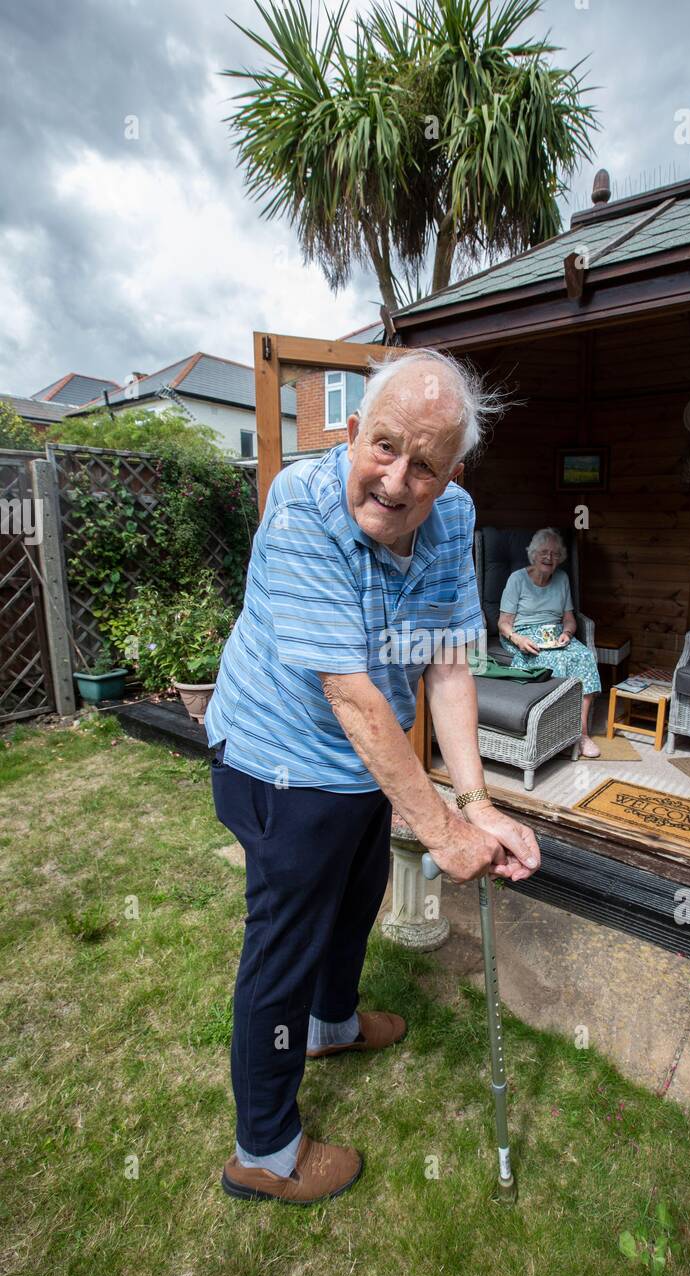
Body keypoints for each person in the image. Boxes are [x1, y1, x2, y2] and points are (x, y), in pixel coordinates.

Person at [204, 347, 541, 1206]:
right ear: (353, 432)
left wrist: (477, 803)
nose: (395, 480)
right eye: (383, 447)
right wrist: (443, 835)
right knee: (283, 943)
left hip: (363, 764)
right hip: (280, 758)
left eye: (423, 464)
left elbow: (449, 665)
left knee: (357, 895)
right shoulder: (298, 508)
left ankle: (331, 1025)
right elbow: (351, 698)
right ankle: (265, 1152)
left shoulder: (455, 517)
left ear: (450, 472)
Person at [497, 527, 602, 758]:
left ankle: (581, 734)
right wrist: (518, 639)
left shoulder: (562, 578)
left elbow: (569, 618)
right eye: (544, 552)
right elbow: (503, 623)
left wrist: (567, 632)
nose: (549, 558)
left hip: (554, 634)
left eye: (555, 554)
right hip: (522, 634)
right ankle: (553, 730)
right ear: (533, 555)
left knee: (584, 656)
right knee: (556, 658)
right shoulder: (517, 579)